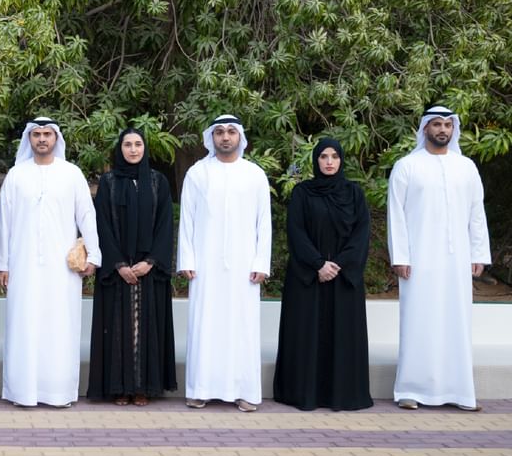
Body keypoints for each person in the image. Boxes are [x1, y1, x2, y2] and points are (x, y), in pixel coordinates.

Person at [388, 105, 491, 411]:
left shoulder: (466, 167)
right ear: (425, 129)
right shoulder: (407, 166)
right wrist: (400, 256)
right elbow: (396, 215)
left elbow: (476, 213)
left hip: (457, 260)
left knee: (456, 322)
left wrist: (478, 253)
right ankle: (410, 390)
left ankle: (460, 393)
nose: (442, 129)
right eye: (436, 124)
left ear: (453, 129)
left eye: (447, 124)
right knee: (418, 321)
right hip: (418, 260)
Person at [0, 117, 101, 407]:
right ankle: (22, 392)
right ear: (29, 139)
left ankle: (59, 393)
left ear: (56, 139)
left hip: (62, 269)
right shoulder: (16, 175)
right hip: (23, 266)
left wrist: (93, 255)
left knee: (60, 326)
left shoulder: (71, 173)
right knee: (24, 326)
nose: (42, 139)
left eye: (47, 134)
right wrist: (3, 264)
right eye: (36, 134)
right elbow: (3, 223)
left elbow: (86, 215)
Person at [178, 114, 271, 412]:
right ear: (212, 138)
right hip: (204, 266)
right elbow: (187, 220)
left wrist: (261, 261)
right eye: (219, 132)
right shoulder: (197, 173)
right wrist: (187, 258)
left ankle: (244, 391)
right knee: (205, 326)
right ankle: (200, 390)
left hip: (245, 267)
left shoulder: (254, 174)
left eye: (231, 131)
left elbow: (263, 222)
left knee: (242, 327)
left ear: (240, 137)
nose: (225, 137)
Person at [273, 138, 372, 411]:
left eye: (334, 157)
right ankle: (305, 394)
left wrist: (338, 265)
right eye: (323, 157)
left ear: (341, 160)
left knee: (342, 337)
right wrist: (318, 264)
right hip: (309, 277)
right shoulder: (302, 193)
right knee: (306, 336)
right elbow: (296, 232)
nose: (329, 162)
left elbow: (361, 233)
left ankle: (341, 395)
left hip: (343, 278)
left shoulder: (354, 193)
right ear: (315, 160)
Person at [88, 127, 176, 406]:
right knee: (118, 328)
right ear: (120, 149)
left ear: (145, 148)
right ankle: (120, 387)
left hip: (149, 269)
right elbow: (101, 224)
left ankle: (143, 387)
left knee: (146, 327)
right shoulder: (109, 182)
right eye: (128, 144)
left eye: (138, 144)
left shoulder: (158, 181)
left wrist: (150, 262)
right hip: (117, 270)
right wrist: (118, 264)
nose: (133, 149)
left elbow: (166, 223)